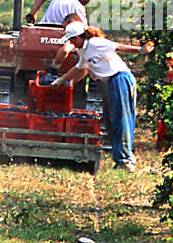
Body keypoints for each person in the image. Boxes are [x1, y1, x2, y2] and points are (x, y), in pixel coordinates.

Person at [51, 22, 137, 170]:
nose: (71, 43)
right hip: (112, 81)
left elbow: (119, 47)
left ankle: (125, 160)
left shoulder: (95, 43)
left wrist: (140, 50)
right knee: (117, 118)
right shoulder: (83, 51)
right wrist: (62, 80)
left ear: (80, 36)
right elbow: (79, 68)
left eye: (73, 40)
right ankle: (124, 156)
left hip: (120, 78)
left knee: (122, 118)